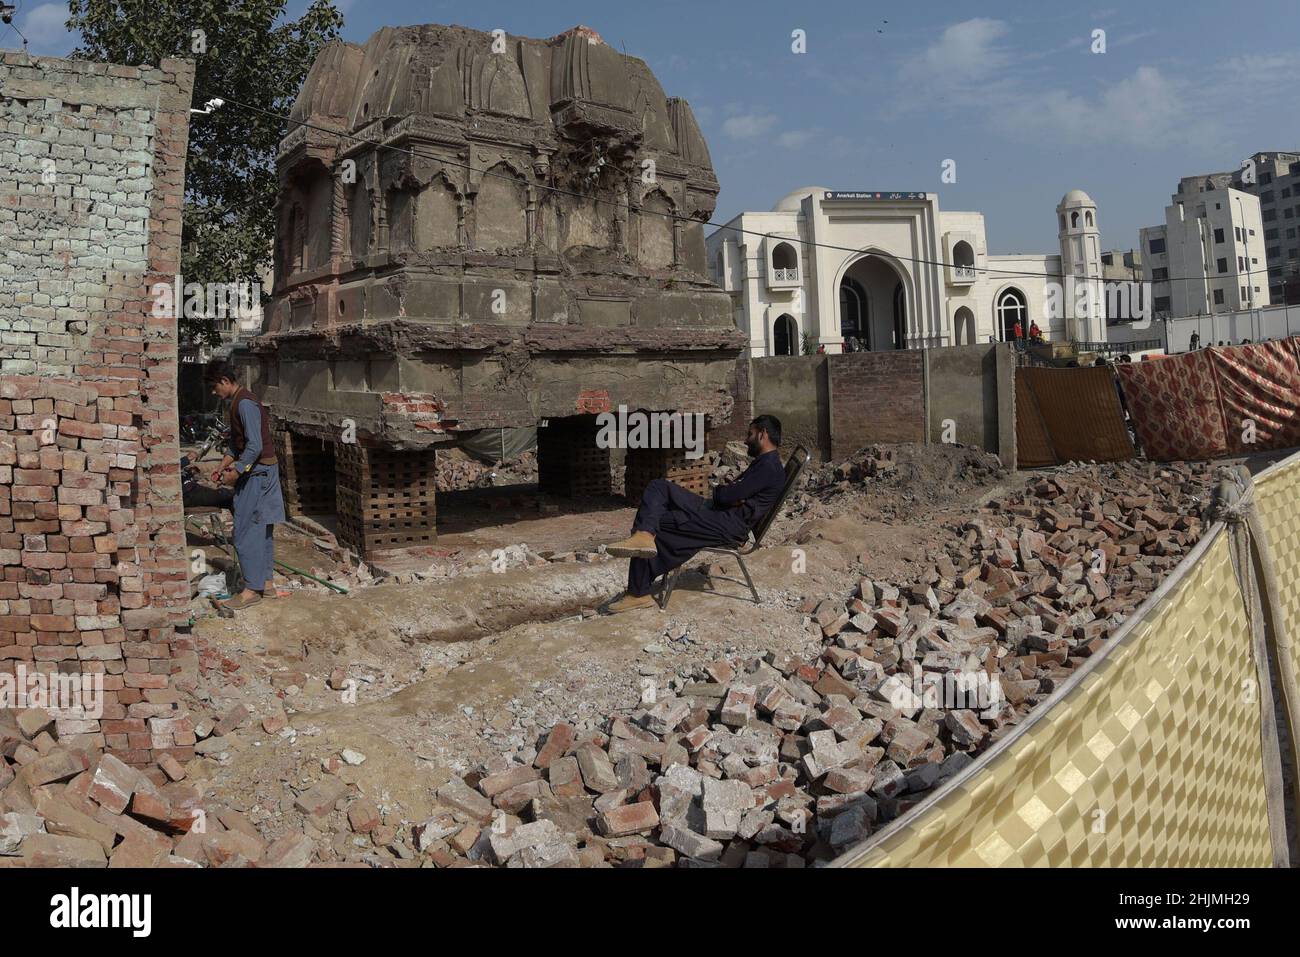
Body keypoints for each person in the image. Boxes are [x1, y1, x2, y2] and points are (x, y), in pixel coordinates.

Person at [603, 415, 788, 614]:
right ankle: (644, 538)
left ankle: (638, 592)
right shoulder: (766, 463)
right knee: (659, 488)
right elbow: (733, 494)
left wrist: (728, 494)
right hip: (721, 514)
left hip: (726, 524)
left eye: (749, 434)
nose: (745, 440)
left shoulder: (768, 467)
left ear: (763, 434)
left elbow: (728, 495)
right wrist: (731, 494)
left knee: (663, 521)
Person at [203, 362, 285, 609]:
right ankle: (267, 583)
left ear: (225, 381)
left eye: (214, 386)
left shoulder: (245, 403)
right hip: (264, 471)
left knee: (246, 530)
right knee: (262, 529)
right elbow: (235, 445)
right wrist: (222, 465)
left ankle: (251, 590)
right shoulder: (238, 402)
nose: (214, 392)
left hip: (259, 475)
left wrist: (236, 472)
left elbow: (254, 446)